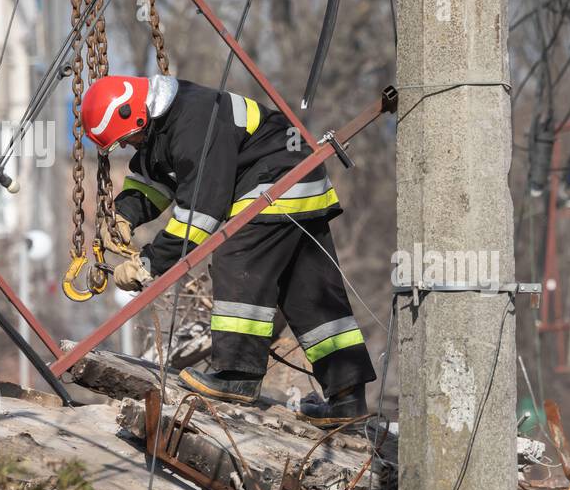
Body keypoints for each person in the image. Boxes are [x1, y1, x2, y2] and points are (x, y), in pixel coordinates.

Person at [80, 73, 376, 427]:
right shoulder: (163, 125)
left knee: (237, 260)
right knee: (309, 293)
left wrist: (148, 264)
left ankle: (238, 374)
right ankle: (347, 396)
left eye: (128, 140)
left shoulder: (193, 120)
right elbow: (152, 179)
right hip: (299, 178)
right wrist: (123, 217)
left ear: (138, 116)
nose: (128, 147)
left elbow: (200, 213)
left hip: (279, 178)